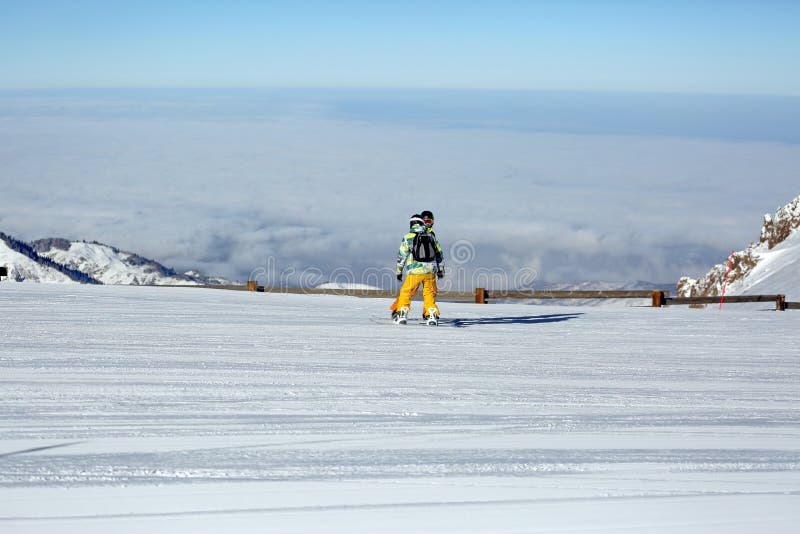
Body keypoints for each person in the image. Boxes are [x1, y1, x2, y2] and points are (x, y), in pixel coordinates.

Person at [392, 213, 444, 325]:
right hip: (430, 271)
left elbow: (402, 256)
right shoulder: (430, 236)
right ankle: (431, 315)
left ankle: (402, 314)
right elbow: (439, 254)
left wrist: (399, 271)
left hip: (415, 271)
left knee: (405, 291)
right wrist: (441, 270)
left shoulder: (408, 237)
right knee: (429, 293)